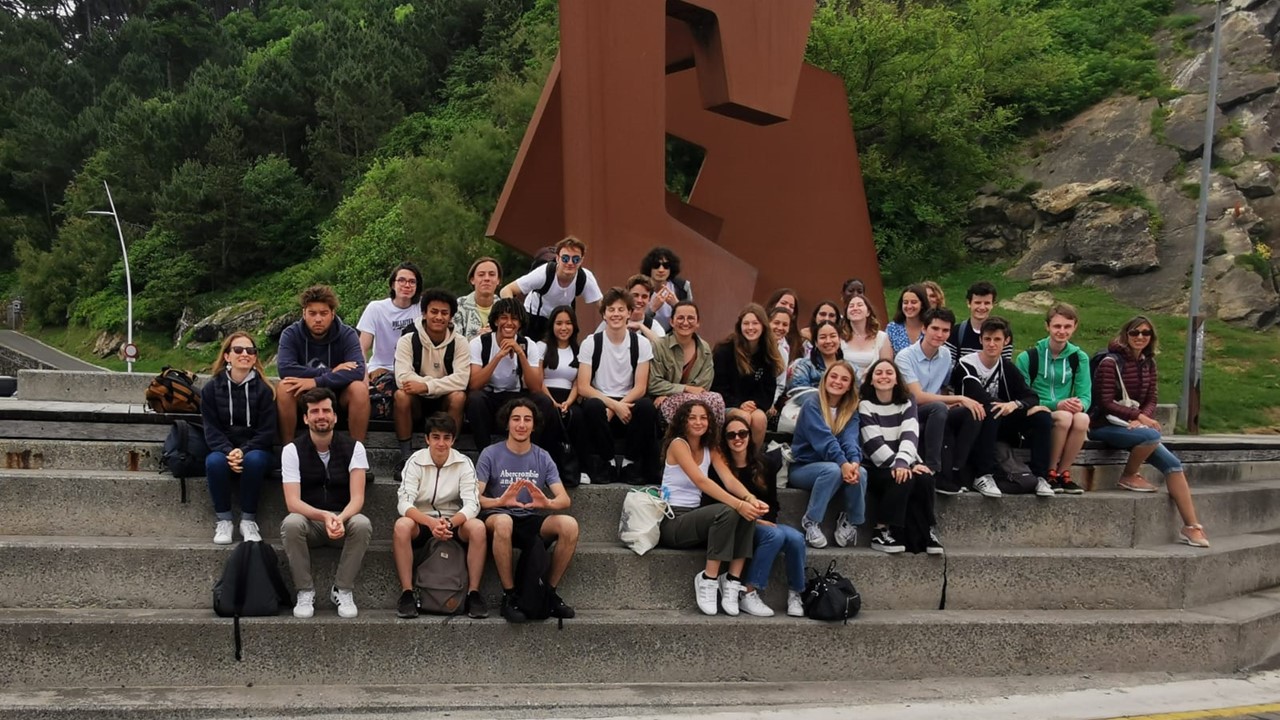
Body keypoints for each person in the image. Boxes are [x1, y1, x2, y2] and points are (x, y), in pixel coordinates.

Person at [1090, 317, 1209, 547]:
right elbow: (1104, 402)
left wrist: (1142, 417)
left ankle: (1192, 526)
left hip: (1133, 427)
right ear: (1126, 334)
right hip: (1103, 426)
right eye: (1135, 333)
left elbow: (1152, 398)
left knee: (1174, 464)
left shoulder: (1149, 363)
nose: (1140, 337)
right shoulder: (1109, 362)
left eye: (1146, 333)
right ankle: (1129, 475)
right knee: (1152, 435)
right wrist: (1138, 417)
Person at [658, 400, 768, 616]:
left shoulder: (711, 447)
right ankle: (708, 579)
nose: (699, 422)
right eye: (692, 417)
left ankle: (732, 581)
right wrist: (738, 504)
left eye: (703, 417)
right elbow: (701, 481)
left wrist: (750, 498)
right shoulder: (678, 444)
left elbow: (728, 479)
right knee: (731, 509)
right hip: (673, 521)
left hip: (696, 519)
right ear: (683, 421)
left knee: (747, 511)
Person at [475, 398, 579, 622]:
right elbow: (476, 499)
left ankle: (548, 593)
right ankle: (509, 595)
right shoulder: (490, 454)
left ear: (533, 425)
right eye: (516, 419)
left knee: (569, 525)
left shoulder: (543, 456)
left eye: (527, 419)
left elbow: (564, 499)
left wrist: (547, 504)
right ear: (507, 423)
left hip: (530, 518)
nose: (521, 424)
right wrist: (501, 501)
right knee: (504, 522)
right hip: (498, 517)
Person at [280, 388, 373, 619]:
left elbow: (358, 498)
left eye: (326, 410)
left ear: (335, 416)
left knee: (362, 523)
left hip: (342, 523)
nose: (321, 416)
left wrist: (339, 518)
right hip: (310, 523)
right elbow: (292, 502)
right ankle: (305, 590)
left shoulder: (355, 448)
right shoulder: (292, 450)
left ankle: (343, 588)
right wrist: (323, 516)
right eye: (314, 411)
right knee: (291, 523)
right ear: (305, 418)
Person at [392, 413, 488, 619]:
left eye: (446, 438)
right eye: (436, 437)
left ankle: (474, 593)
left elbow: (473, 504)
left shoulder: (464, 463)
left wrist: (451, 523)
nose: (441, 443)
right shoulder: (415, 461)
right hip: (423, 521)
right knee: (401, 526)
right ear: (427, 439)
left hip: (453, 522)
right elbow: (404, 502)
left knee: (478, 527)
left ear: (453, 440)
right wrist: (430, 522)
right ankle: (407, 593)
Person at [952, 317, 1055, 498]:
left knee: (1042, 417)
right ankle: (983, 474)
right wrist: (1019, 407)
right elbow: (980, 397)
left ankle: (1040, 476)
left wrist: (1017, 404)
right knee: (994, 409)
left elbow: (1031, 396)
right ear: (980, 340)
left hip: (1001, 420)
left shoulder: (1006, 367)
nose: (992, 344)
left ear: (1005, 341)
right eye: (988, 339)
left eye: (997, 339)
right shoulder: (966, 364)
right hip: (974, 421)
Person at [895, 307, 987, 496]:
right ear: (924, 329)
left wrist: (954, 403)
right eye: (935, 329)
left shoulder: (945, 355)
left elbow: (943, 387)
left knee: (975, 410)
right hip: (911, 411)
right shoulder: (905, 356)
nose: (940, 334)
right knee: (939, 407)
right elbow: (918, 397)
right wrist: (959, 397)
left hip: (938, 410)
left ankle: (957, 468)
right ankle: (933, 468)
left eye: (945, 331)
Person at [721, 411, 805, 617]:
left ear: (750, 436)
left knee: (796, 538)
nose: (738, 438)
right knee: (774, 535)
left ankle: (796, 593)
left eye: (742, 433)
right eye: (731, 435)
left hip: (763, 522)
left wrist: (765, 519)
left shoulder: (764, 464)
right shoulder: (722, 468)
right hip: (737, 524)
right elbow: (720, 505)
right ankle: (748, 592)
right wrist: (757, 522)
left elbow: (773, 504)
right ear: (724, 440)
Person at [858, 359, 942, 555]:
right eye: (878, 373)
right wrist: (902, 465)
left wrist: (908, 463)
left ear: (896, 379)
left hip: (905, 462)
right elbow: (874, 445)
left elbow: (910, 434)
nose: (884, 376)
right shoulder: (865, 405)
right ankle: (881, 530)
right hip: (876, 467)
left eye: (889, 373)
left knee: (925, 477)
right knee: (902, 478)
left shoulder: (907, 401)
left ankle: (926, 532)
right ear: (871, 380)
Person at [577, 288, 659, 484]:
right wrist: (613, 406)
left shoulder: (641, 344)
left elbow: (640, 387)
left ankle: (631, 463)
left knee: (647, 406)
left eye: (621, 309)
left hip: (628, 404)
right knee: (592, 406)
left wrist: (620, 405)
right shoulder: (591, 343)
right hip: (601, 405)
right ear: (604, 314)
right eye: (611, 310)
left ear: (629, 313)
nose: (616, 314)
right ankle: (607, 463)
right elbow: (583, 387)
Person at [201, 332, 276, 545]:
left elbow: (267, 432)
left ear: (255, 357)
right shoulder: (211, 389)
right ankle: (224, 521)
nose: (245, 354)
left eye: (250, 350)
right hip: (224, 449)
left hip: (257, 450)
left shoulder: (265, 390)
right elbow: (211, 429)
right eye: (238, 350)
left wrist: (243, 451)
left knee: (254, 461)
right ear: (227, 356)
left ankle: (248, 521)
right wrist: (229, 451)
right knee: (214, 462)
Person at [464, 297, 561, 458]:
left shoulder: (529, 344)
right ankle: (486, 455)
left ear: (520, 323)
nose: (509, 323)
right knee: (474, 398)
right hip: (491, 397)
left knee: (543, 401)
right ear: (495, 321)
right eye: (504, 318)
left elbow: (536, 387)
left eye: (514, 319)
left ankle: (532, 454)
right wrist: (498, 356)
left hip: (517, 397)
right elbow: (474, 384)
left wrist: (520, 354)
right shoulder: (479, 343)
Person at [787, 361, 866, 549]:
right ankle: (811, 521)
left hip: (835, 465)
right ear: (825, 379)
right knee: (833, 470)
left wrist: (854, 461)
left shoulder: (850, 409)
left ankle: (849, 521)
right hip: (804, 467)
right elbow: (824, 440)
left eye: (844, 379)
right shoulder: (811, 404)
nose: (837, 381)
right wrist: (843, 463)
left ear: (849, 386)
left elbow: (850, 439)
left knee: (861, 473)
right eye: (834, 376)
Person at [277, 285, 369, 443]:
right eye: (312, 313)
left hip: (338, 394)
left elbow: (358, 370)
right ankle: (287, 448)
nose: (318, 319)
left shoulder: (347, 334)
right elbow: (285, 368)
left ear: (332, 314)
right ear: (304, 313)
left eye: (324, 313)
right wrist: (332, 371)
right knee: (285, 387)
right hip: (304, 394)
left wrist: (315, 381)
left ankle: (357, 452)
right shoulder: (290, 333)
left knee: (359, 389)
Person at [1014, 303, 1091, 495]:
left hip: (1066, 412)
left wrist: (1079, 404)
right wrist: (1055, 404)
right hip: (1038, 412)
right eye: (1057, 326)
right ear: (1047, 326)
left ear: (1075, 327)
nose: (1062, 331)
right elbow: (1022, 395)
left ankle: (1064, 471)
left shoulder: (1079, 357)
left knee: (1082, 418)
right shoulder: (1028, 357)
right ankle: (1049, 471)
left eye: (1067, 326)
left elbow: (1086, 395)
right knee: (1064, 417)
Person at [393, 288, 470, 466]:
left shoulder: (460, 342)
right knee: (401, 395)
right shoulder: (408, 339)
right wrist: (425, 386)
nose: (439, 317)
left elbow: (462, 379)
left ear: (451, 316)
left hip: (444, 400)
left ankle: (449, 455)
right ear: (424, 314)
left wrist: (427, 386)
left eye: (444, 313)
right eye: (434, 311)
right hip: (416, 401)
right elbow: (402, 377)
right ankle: (405, 456)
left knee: (459, 396)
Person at [501, 236, 603, 338]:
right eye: (565, 258)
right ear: (558, 258)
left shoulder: (585, 277)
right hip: (535, 318)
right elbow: (506, 290)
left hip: (562, 321)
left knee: (569, 351)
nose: (570, 263)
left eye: (575, 259)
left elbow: (603, 306)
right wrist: (514, 317)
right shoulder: (543, 274)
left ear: (581, 261)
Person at [712, 304, 785, 446]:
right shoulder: (725, 350)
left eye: (755, 323)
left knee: (759, 418)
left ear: (763, 325)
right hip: (727, 404)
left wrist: (754, 404)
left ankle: (753, 463)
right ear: (740, 326)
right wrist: (739, 404)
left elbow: (768, 391)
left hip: (753, 407)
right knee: (743, 417)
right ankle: (733, 460)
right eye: (746, 323)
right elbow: (717, 387)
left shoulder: (768, 353)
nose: (750, 327)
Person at [356, 263, 422, 409]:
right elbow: (362, 347)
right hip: (382, 369)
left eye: (412, 282)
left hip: (413, 370)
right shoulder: (376, 308)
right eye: (402, 280)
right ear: (393, 284)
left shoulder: (423, 307)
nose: (407, 285)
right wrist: (363, 378)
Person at [648, 300, 723, 423]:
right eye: (680, 318)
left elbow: (704, 385)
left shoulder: (704, 349)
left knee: (716, 399)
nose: (685, 322)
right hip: (665, 401)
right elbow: (654, 383)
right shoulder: (659, 346)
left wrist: (679, 392)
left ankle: (711, 440)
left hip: (696, 401)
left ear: (698, 323)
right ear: (671, 322)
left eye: (691, 318)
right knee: (680, 406)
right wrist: (685, 389)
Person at [540, 305, 585, 482]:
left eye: (568, 323)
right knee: (550, 415)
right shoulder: (541, 346)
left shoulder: (579, 350)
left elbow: (577, 382)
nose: (563, 327)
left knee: (579, 417)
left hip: (569, 397)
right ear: (552, 325)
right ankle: (547, 468)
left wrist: (568, 402)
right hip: (545, 396)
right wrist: (552, 401)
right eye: (559, 323)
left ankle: (578, 469)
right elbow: (538, 380)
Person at [946, 281, 1011, 370]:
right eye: (977, 302)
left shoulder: (1003, 332)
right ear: (969, 303)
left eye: (987, 303)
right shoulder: (956, 332)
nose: (982, 307)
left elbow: (1005, 366)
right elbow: (949, 365)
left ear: (993, 304)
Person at [597, 274, 666, 340]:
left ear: (649, 300)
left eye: (644, 296)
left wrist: (641, 327)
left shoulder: (654, 326)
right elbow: (594, 342)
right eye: (635, 295)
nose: (639, 300)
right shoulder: (612, 320)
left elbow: (663, 348)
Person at [641, 246, 693, 332]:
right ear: (649, 268)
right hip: (646, 335)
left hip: (674, 337)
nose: (661, 270)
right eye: (656, 265)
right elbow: (632, 319)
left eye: (666, 266)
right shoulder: (640, 287)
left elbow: (691, 318)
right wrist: (652, 309)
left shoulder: (682, 287)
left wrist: (677, 305)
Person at [785, 320, 844, 394]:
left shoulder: (850, 368)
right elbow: (799, 392)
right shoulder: (804, 366)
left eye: (833, 336)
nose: (828, 341)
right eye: (823, 337)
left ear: (839, 340)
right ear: (816, 342)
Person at [843, 295, 892, 381]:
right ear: (847, 315)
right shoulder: (840, 338)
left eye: (859, 305)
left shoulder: (882, 337)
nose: (855, 308)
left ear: (868, 312)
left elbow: (887, 367)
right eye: (851, 306)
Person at [453, 256, 502, 340]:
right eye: (481, 275)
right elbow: (454, 341)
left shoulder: (505, 308)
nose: (487, 278)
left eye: (492, 274)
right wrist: (478, 339)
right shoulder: (458, 305)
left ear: (498, 280)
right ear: (472, 280)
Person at [886, 284, 930, 354]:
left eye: (914, 302)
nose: (909, 306)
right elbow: (887, 358)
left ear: (922, 304)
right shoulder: (892, 328)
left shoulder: (931, 327)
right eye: (905, 302)